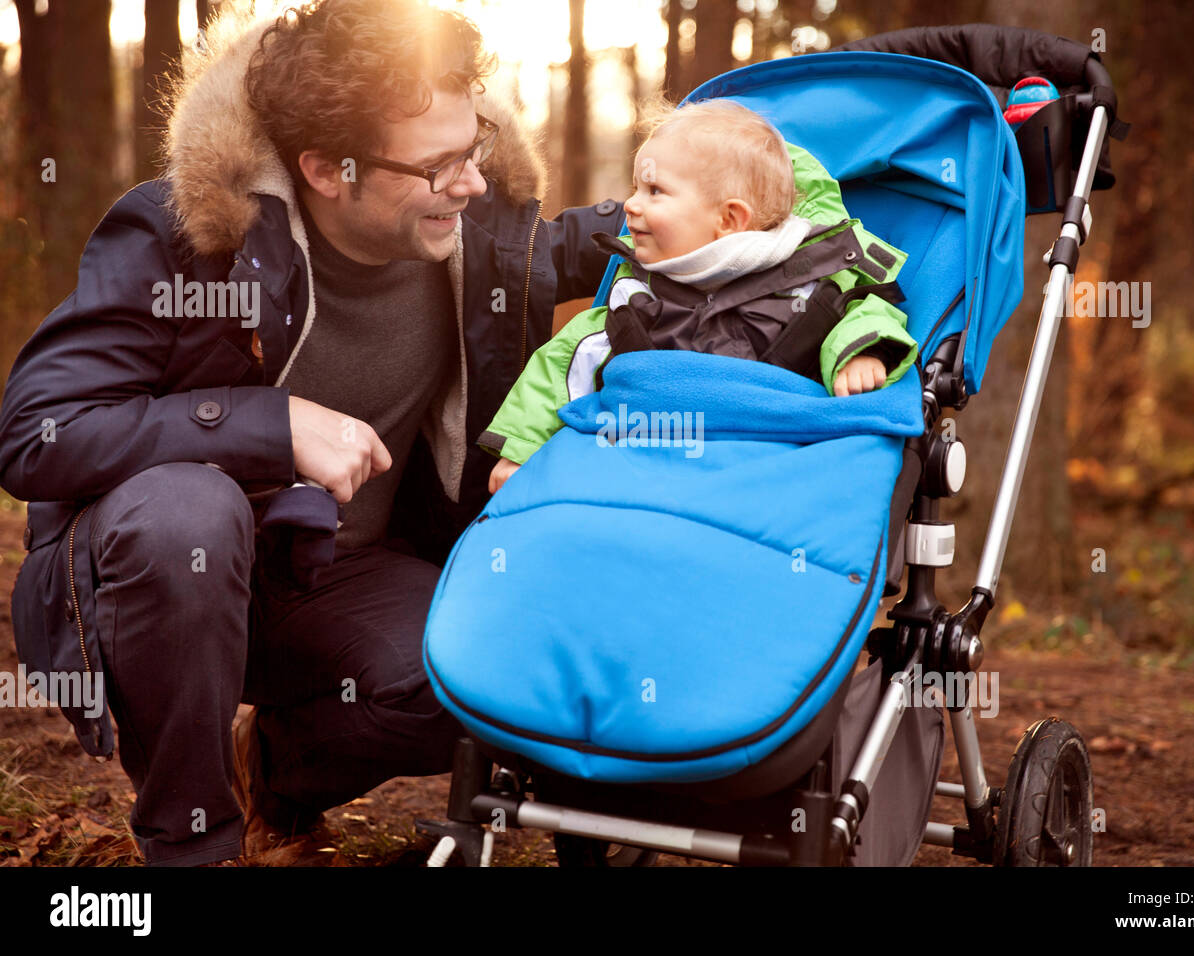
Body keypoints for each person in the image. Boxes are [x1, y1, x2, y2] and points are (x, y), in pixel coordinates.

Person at [0, 0, 622, 866]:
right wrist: (268, 424)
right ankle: (193, 845)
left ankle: (278, 777)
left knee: (478, 676)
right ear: (330, 170)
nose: (472, 183)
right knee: (188, 515)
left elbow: (656, 231)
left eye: (473, 146)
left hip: (343, 580)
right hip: (159, 578)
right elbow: (38, 431)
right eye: (439, 165)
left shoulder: (478, 244)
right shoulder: (183, 234)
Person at [479, 100, 917, 492]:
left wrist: (861, 353)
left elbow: (864, 310)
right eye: (635, 188)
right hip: (645, 467)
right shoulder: (634, 298)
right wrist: (520, 446)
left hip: (770, 466)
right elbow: (563, 363)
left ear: (728, 218)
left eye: (654, 192)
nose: (630, 205)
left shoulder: (813, 282)